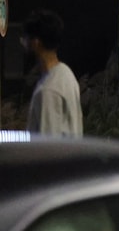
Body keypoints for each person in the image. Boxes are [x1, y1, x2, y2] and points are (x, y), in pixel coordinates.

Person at [22, 9, 82, 137]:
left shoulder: (48, 90)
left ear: (36, 43)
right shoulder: (66, 74)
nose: (24, 44)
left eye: (25, 39)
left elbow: (47, 148)